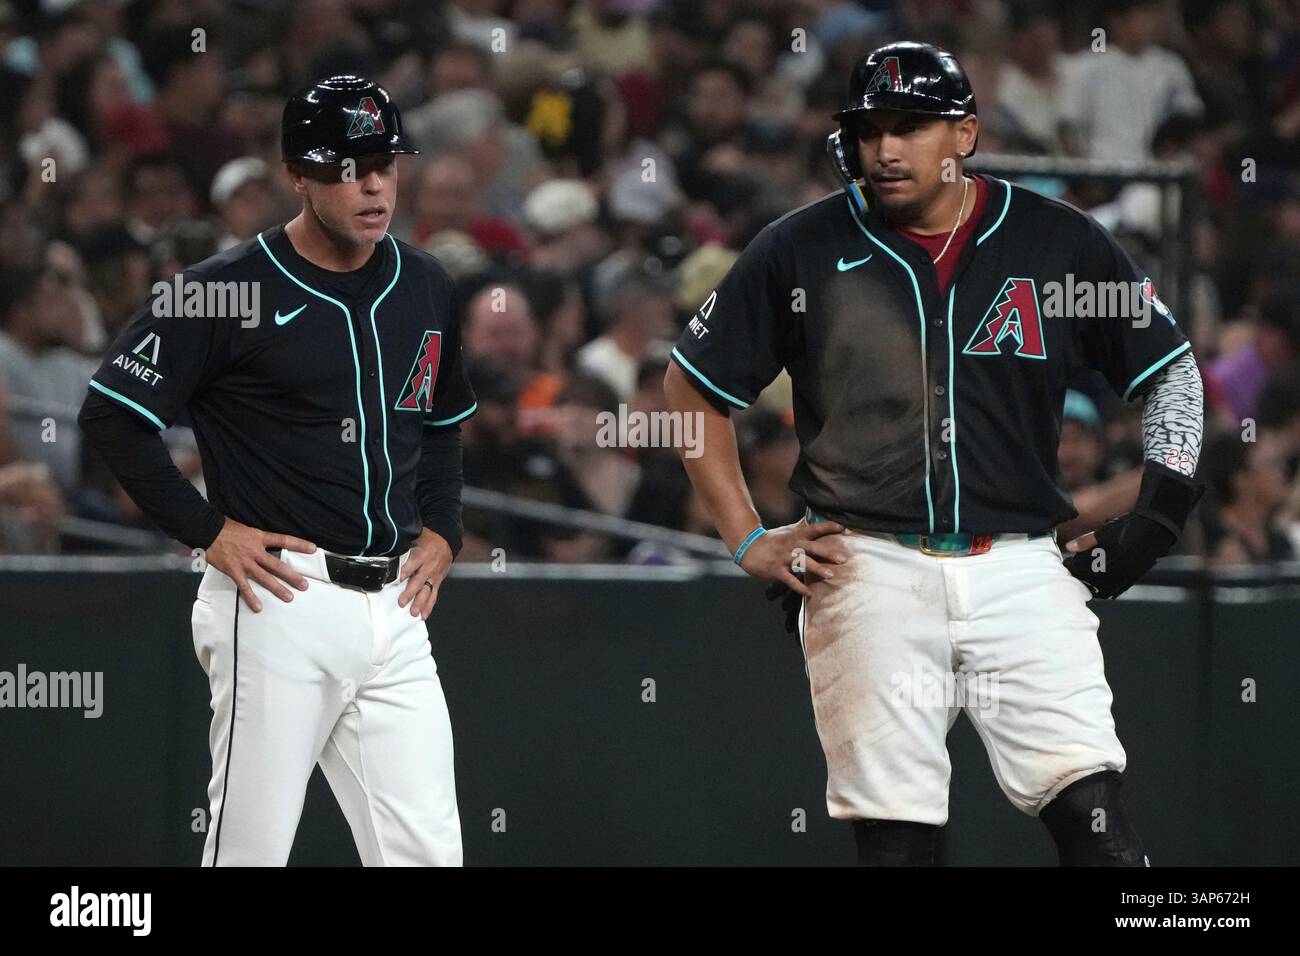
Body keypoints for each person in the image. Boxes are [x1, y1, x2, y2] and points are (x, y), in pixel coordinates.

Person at [663, 42, 1206, 866]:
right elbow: (691, 388)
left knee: (1095, 818)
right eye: (868, 129)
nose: (884, 148)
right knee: (897, 840)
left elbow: (1172, 374)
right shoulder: (801, 247)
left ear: (965, 134)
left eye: (911, 126)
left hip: (1024, 565)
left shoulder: (1054, 240)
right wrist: (745, 535)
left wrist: (1159, 516)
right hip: (865, 565)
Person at [77, 76, 476, 867]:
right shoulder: (223, 291)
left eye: (385, 163)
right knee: (248, 855)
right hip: (279, 596)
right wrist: (206, 531)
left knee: (429, 857)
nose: (371, 183)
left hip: (396, 609)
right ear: (297, 173)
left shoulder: (425, 282)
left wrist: (446, 529)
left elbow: (439, 423)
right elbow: (112, 414)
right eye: (346, 166)